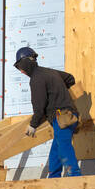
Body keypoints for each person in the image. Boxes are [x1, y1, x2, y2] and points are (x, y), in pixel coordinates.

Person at [13, 46, 81, 178]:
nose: (21, 72)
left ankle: (75, 176)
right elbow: (70, 79)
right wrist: (57, 91)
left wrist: (33, 125)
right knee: (56, 149)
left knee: (64, 147)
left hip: (61, 117)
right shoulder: (49, 72)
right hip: (70, 115)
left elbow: (39, 107)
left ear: (25, 63)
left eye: (20, 68)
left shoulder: (36, 80)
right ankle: (53, 177)